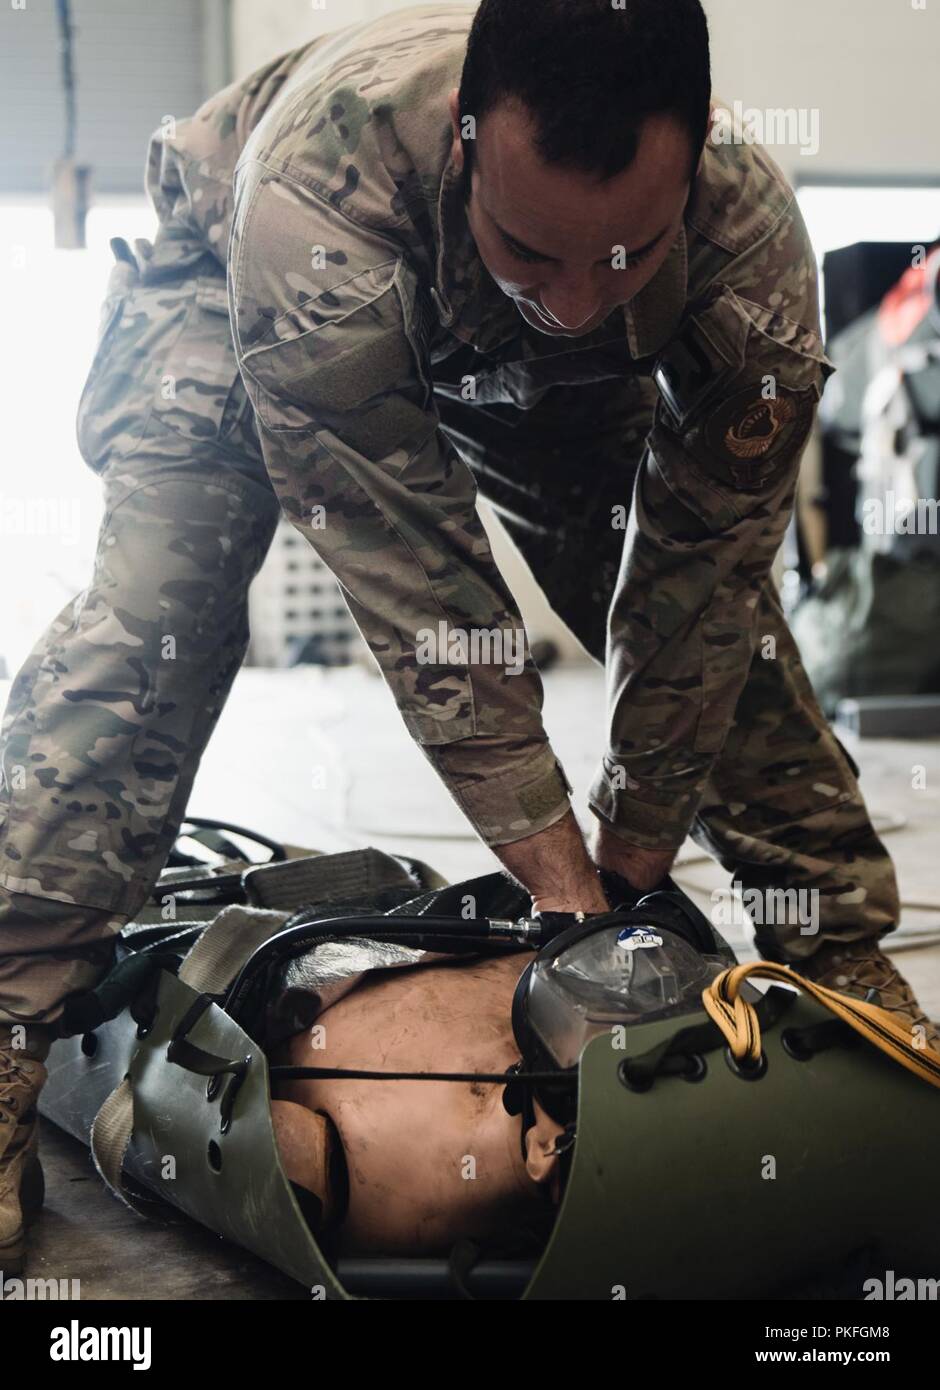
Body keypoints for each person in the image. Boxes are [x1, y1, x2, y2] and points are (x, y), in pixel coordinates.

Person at [0, 0, 934, 1275]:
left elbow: (701, 589)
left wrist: (639, 867)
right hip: (243, 279)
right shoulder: (311, 205)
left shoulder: (744, 238)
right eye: (533, 246)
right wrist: (563, 894)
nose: (567, 303)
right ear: (463, 141)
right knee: (158, 621)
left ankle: (844, 952)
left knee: (735, 643)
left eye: (622, 254)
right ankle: (5, 1028)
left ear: (699, 157)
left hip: (493, 330)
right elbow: (428, 594)